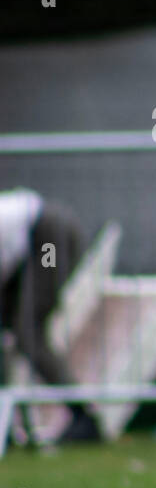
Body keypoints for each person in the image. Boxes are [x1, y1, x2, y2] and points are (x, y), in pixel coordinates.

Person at [0, 188, 100, 442]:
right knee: (15, 333)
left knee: (28, 333)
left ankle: (83, 416)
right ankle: (9, 423)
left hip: (48, 239)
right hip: (28, 246)